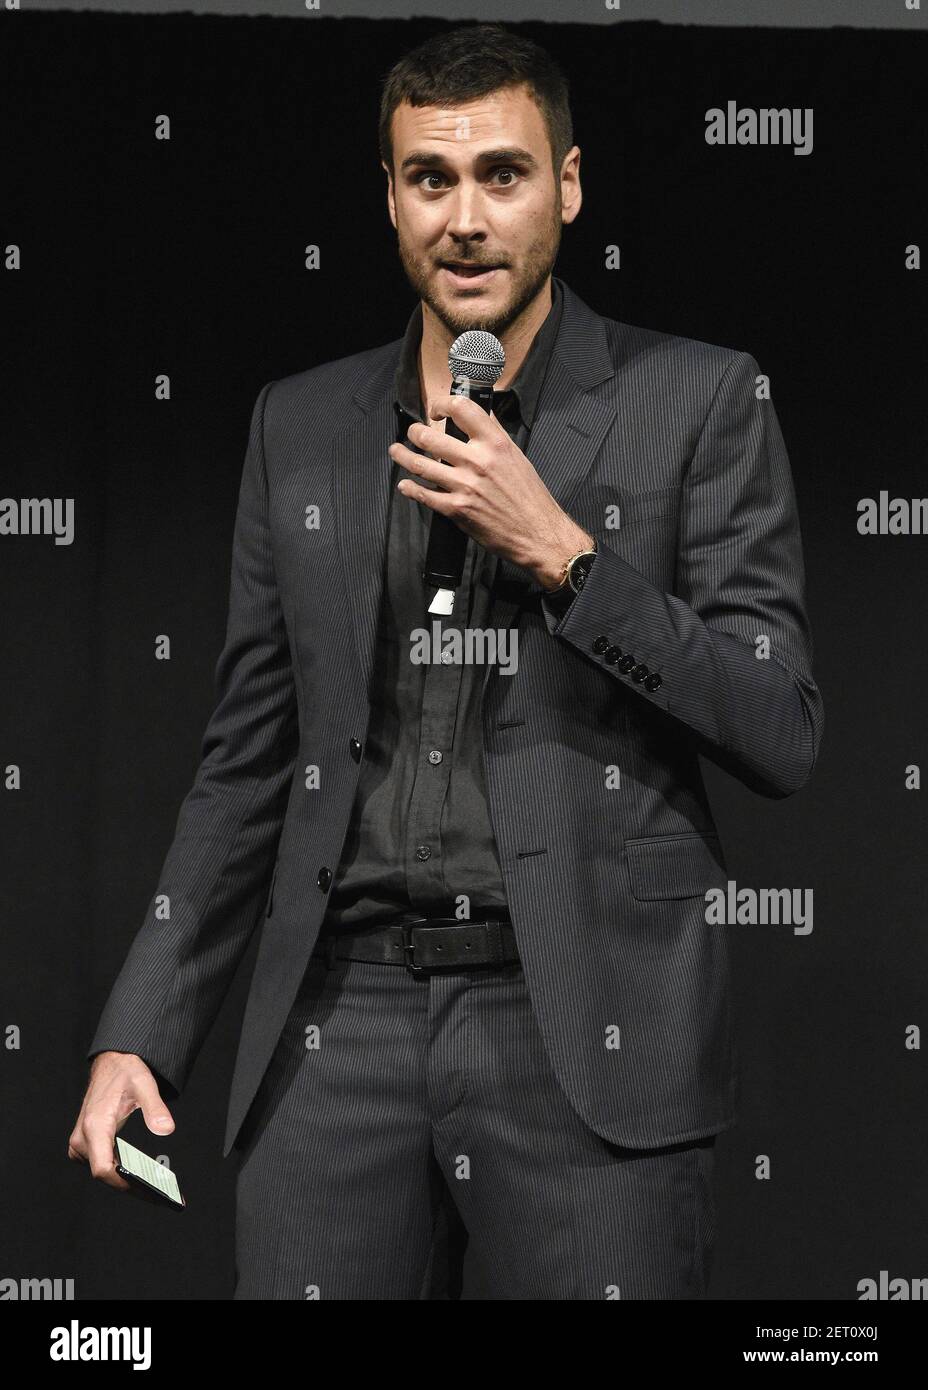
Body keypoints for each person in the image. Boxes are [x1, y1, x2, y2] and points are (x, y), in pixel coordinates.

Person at [70, 22, 824, 1300]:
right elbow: (246, 763)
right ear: (389, 197)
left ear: (568, 187)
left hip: (577, 1021)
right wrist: (143, 1024)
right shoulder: (300, 425)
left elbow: (780, 728)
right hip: (338, 1020)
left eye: (502, 176)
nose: (465, 219)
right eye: (430, 179)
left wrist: (568, 559)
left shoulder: (698, 401)